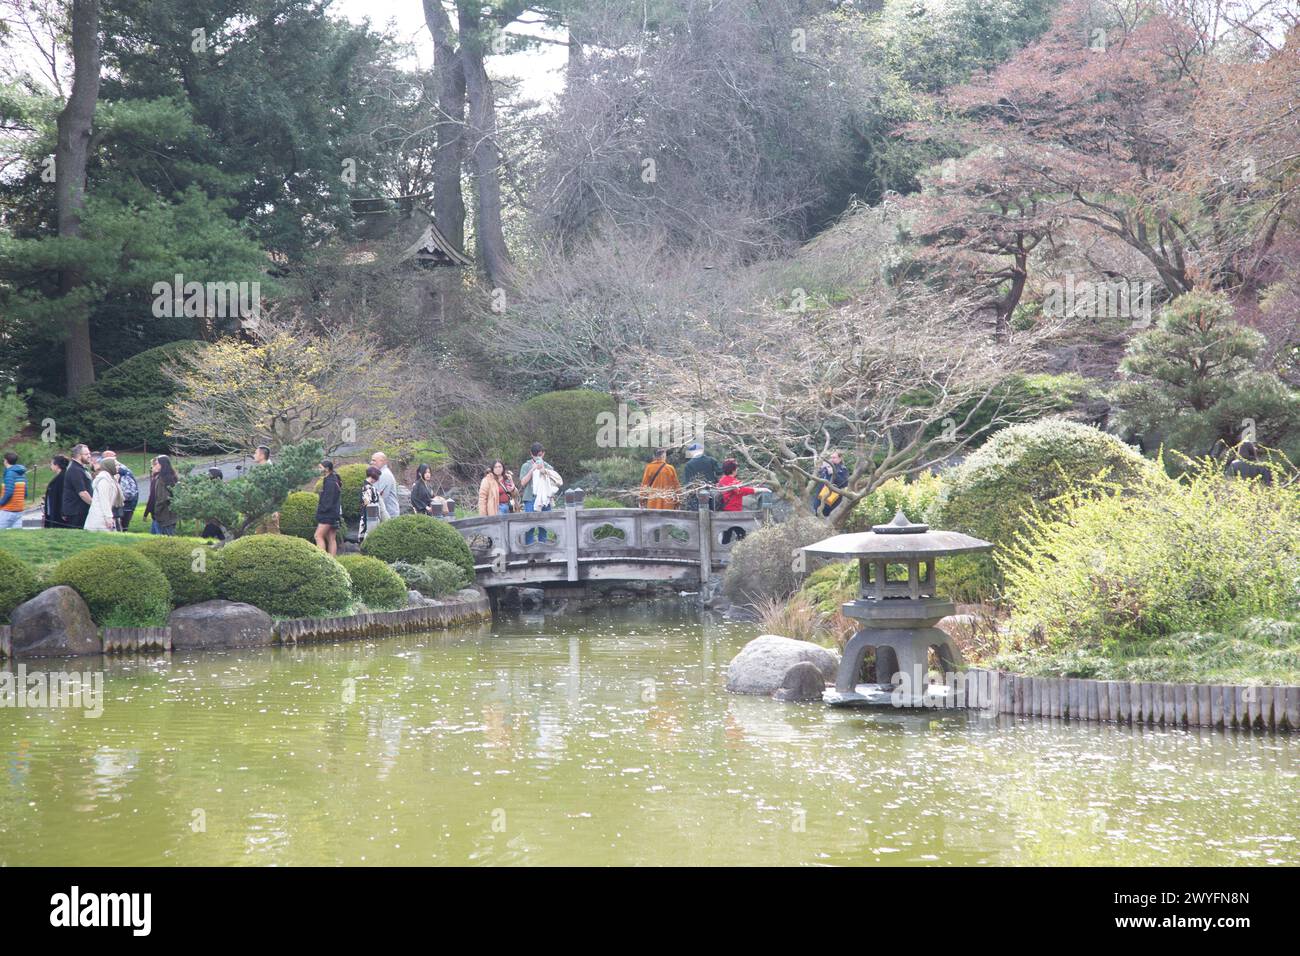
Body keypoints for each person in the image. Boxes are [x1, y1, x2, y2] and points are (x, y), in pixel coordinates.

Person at [518, 443, 562, 545]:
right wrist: (533, 469)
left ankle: (544, 549)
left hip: (545, 499)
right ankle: (530, 551)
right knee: (530, 526)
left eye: (540, 455)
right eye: (535, 455)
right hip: (530, 498)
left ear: (543, 454)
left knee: (544, 525)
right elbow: (523, 483)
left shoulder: (547, 466)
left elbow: (556, 481)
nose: (538, 457)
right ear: (531, 454)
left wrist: (544, 470)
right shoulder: (526, 466)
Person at [100, 451, 139, 530]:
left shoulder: (120, 471)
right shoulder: (122, 469)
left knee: (121, 527)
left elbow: (127, 492)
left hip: (125, 504)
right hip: (129, 503)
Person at [143, 455, 179, 535]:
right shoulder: (165, 477)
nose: (155, 465)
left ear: (163, 465)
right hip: (162, 516)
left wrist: (156, 511)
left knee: (166, 539)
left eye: (157, 463)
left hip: (164, 516)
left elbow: (162, 498)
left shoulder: (163, 479)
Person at [84, 457, 123, 531]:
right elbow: (104, 500)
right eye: (116, 465)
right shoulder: (104, 480)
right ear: (109, 466)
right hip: (100, 517)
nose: (119, 467)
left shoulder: (111, 478)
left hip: (105, 515)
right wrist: (108, 517)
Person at [61, 444, 95, 529]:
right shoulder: (74, 470)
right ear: (79, 456)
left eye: (89, 453)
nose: (89, 456)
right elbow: (82, 493)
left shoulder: (80, 468)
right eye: (86, 454)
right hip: (76, 511)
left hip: (81, 510)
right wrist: (95, 505)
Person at [681, 442, 722, 511]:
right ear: (702, 451)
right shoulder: (711, 460)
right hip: (711, 491)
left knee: (696, 514)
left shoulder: (689, 464)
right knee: (713, 512)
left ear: (692, 452)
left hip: (696, 493)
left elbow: (687, 483)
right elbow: (720, 472)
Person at [314, 459, 343, 555]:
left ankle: (323, 559)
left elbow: (328, 500)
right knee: (331, 538)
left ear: (326, 469)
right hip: (333, 513)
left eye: (320, 467)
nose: (319, 469)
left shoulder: (330, 482)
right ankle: (332, 561)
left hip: (328, 514)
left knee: (318, 536)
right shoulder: (333, 479)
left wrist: (321, 511)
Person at [359, 466, 392, 542]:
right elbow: (368, 504)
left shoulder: (368, 487)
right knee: (369, 533)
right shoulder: (367, 487)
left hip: (371, 514)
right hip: (371, 515)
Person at [811, 450, 849, 517]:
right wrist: (821, 467)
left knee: (826, 514)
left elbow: (844, 483)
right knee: (816, 510)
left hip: (832, 497)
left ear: (840, 459)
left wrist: (833, 473)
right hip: (820, 495)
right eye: (831, 457)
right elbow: (820, 476)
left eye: (834, 457)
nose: (832, 459)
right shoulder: (828, 466)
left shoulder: (843, 469)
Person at [0, 451, 28, 530]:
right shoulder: (22, 473)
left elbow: (9, 492)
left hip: (7, 510)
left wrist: (1, 503)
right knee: (16, 537)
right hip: (19, 510)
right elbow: (25, 493)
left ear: (5, 461)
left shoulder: (9, 473)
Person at [369, 452, 399, 521]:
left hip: (388, 515)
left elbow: (381, 497)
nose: (371, 462)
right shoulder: (379, 474)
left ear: (382, 461)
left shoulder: (385, 475)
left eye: (374, 460)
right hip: (383, 513)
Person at [43, 455, 68, 528]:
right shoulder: (61, 476)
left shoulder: (62, 477)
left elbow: (62, 494)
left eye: (51, 464)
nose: (50, 466)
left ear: (57, 465)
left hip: (58, 511)